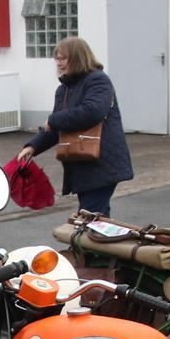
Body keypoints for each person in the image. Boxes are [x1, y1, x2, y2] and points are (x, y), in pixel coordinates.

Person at [15, 36, 132, 217]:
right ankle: (100, 244)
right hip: (81, 163)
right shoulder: (64, 90)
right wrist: (33, 146)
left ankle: (90, 245)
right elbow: (55, 128)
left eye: (63, 58)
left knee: (88, 219)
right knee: (98, 220)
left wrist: (54, 119)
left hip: (101, 163)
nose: (59, 63)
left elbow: (92, 111)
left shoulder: (98, 81)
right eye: (57, 59)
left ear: (78, 57)